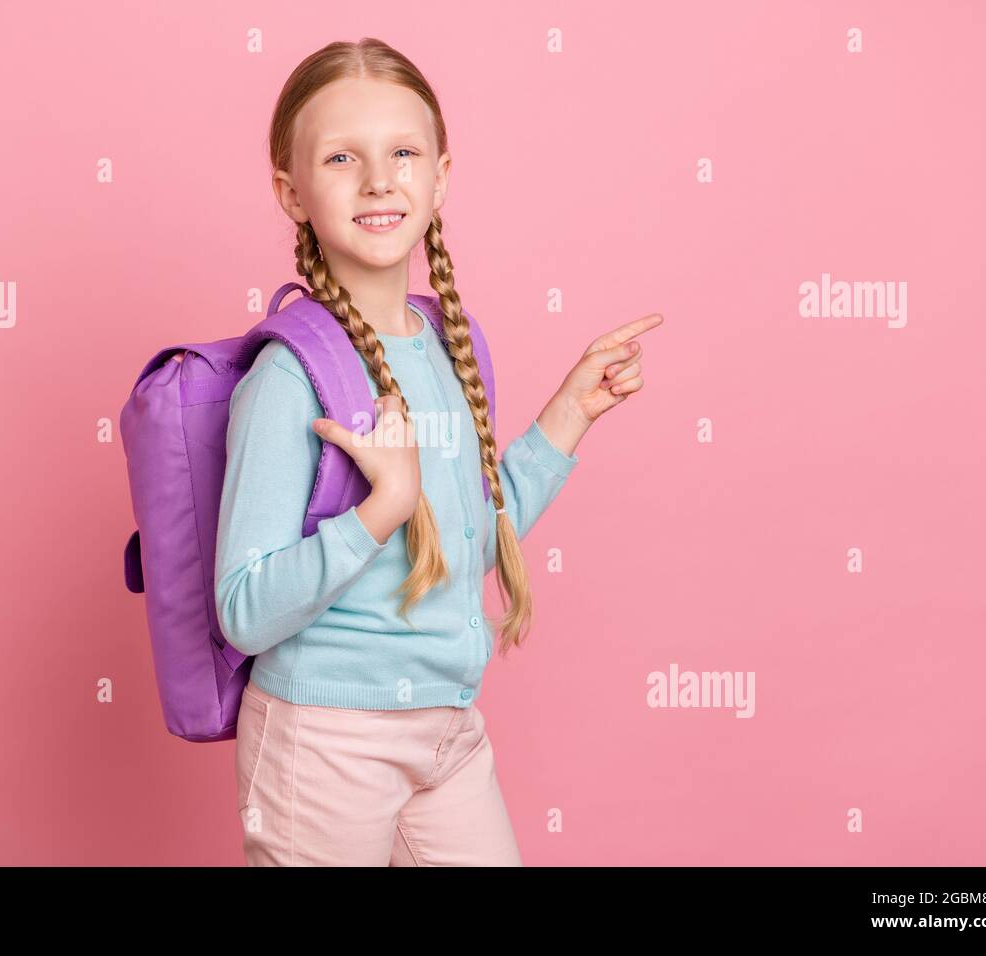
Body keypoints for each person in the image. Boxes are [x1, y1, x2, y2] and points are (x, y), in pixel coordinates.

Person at [205, 37, 662, 866]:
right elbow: (243, 611)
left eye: (403, 153)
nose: (379, 180)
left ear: (441, 175)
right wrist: (380, 511)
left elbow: (468, 540)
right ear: (291, 191)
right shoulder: (287, 377)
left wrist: (568, 415)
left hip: (447, 731)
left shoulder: (449, 346)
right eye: (342, 156)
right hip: (326, 744)